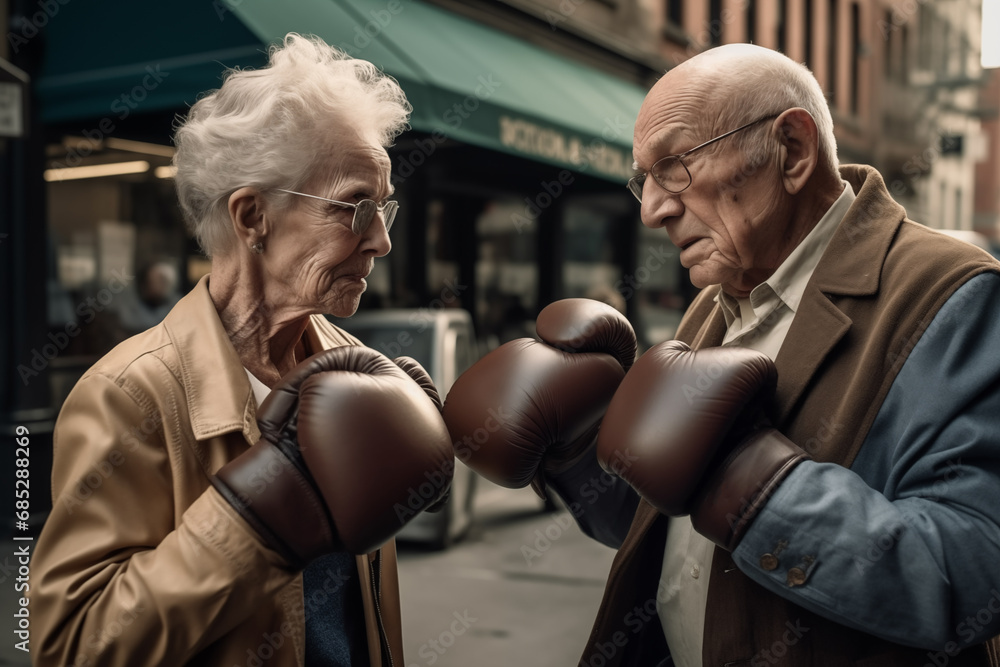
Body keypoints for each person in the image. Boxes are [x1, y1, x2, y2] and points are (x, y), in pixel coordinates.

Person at [443, 44, 1000, 666]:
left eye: (675, 165)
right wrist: (577, 447)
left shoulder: (951, 293)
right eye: (643, 180)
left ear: (791, 150)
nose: (653, 209)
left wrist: (753, 482)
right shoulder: (716, 302)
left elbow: (975, 568)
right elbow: (669, 527)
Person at [30, 34, 455, 667]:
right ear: (252, 216)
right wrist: (254, 520)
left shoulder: (350, 365)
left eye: (384, 205)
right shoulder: (129, 393)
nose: (382, 241)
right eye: (355, 206)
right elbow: (70, 645)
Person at [115, 260, 181, 336]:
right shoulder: (128, 308)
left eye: (163, 281)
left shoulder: (176, 304)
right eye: (156, 281)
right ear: (144, 285)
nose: (162, 285)